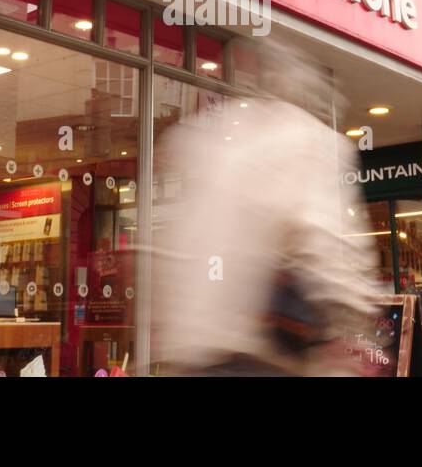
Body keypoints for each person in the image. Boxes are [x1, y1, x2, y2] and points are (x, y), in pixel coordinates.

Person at [152, 38, 381, 375]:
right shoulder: (308, 140)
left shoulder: (203, 141)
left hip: (191, 355)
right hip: (258, 356)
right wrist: (354, 322)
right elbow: (329, 244)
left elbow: (164, 256)